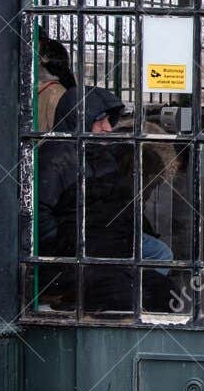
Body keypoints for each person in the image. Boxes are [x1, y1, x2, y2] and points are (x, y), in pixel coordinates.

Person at [35, 86, 173, 313]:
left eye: (110, 121)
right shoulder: (56, 159)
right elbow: (40, 215)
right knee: (154, 274)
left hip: (106, 244)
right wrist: (67, 248)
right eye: (100, 120)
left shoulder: (99, 152)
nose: (107, 128)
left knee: (160, 278)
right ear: (81, 119)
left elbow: (118, 203)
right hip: (79, 250)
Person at [35, 31, 76, 133]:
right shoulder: (43, 89)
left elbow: (58, 138)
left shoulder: (56, 93)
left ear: (45, 60)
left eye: (35, 54)